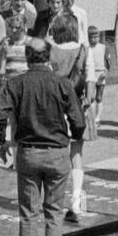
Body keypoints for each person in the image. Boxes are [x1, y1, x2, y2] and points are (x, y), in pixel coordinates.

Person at [0, 37, 86, 236]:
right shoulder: (62, 83)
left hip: (29, 153)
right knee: (54, 215)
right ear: (48, 56)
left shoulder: (16, 83)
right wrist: (75, 135)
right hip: (57, 153)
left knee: (28, 214)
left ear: (27, 56)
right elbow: (78, 120)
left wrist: (0, 140)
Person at [48, 14, 88, 223]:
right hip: (76, 106)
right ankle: (75, 200)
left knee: (56, 154)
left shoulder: (51, 51)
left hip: (55, 107)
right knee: (77, 154)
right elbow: (89, 79)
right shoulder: (82, 49)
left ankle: (54, 200)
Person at [85, 25, 109, 138]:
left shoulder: (103, 47)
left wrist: (105, 72)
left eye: (97, 36)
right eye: (92, 37)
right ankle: (93, 117)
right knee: (92, 97)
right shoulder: (87, 48)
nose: (95, 39)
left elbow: (107, 63)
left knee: (99, 96)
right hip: (91, 74)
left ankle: (98, 117)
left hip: (101, 73)